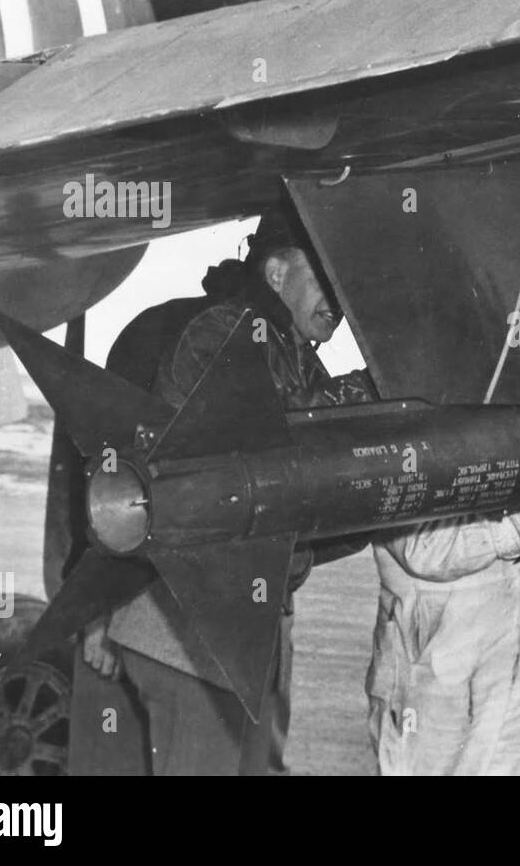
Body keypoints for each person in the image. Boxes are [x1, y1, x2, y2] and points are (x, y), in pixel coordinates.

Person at [70, 202, 371, 775]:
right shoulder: (225, 334)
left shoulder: (301, 363)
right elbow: (272, 456)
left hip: (246, 629)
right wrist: (365, 399)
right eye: (324, 274)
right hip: (193, 635)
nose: (340, 299)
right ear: (278, 274)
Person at [363, 508, 520, 775]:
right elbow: (422, 550)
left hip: (510, 622)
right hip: (434, 640)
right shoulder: (397, 469)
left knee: (507, 764)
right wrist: (517, 525)